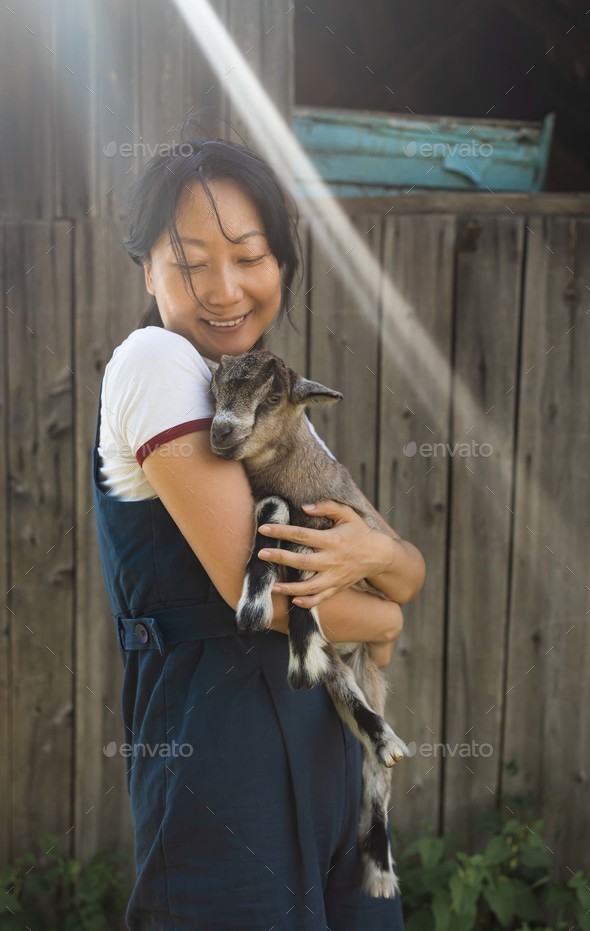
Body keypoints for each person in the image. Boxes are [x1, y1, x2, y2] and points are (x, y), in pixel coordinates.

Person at [92, 135, 425, 930]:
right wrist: (386, 612)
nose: (225, 288)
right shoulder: (155, 361)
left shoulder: (278, 406)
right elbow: (272, 599)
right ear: (148, 270)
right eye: (191, 260)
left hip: (326, 745)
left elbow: (402, 561)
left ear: (282, 264)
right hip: (220, 748)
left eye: (249, 255)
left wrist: (384, 564)